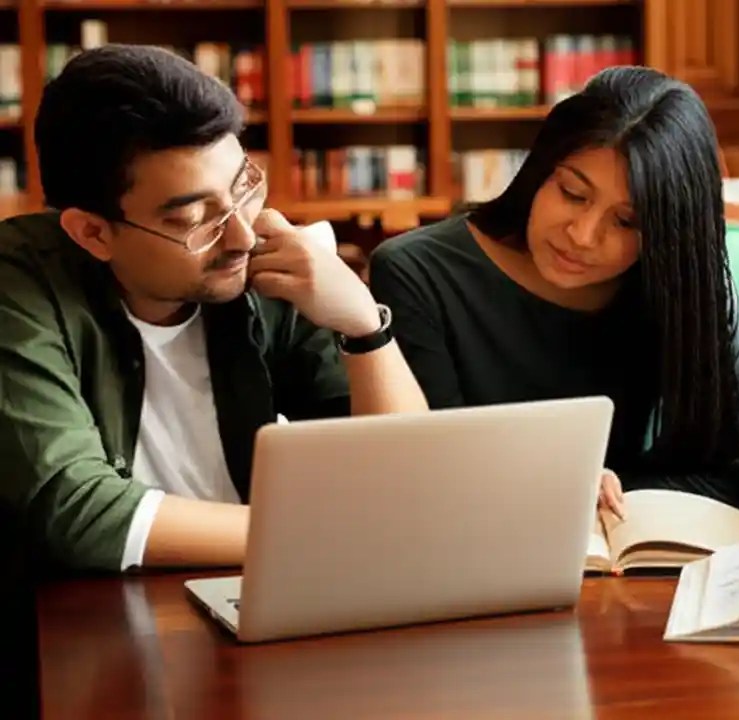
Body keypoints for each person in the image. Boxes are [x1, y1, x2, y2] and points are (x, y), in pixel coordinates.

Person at [0, 44, 428, 576]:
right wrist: (318, 535)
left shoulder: (271, 267)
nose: (242, 236)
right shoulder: (17, 285)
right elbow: (76, 511)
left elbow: (409, 489)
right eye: (195, 218)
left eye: (243, 187)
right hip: (94, 616)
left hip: (260, 583)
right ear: (92, 232)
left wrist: (363, 325)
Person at [369, 66, 739, 517]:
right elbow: (431, 475)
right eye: (572, 193)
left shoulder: (685, 287)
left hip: (636, 563)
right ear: (540, 170)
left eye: (626, 222)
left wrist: (617, 491)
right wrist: (558, 483)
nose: (582, 235)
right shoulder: (417, 273)